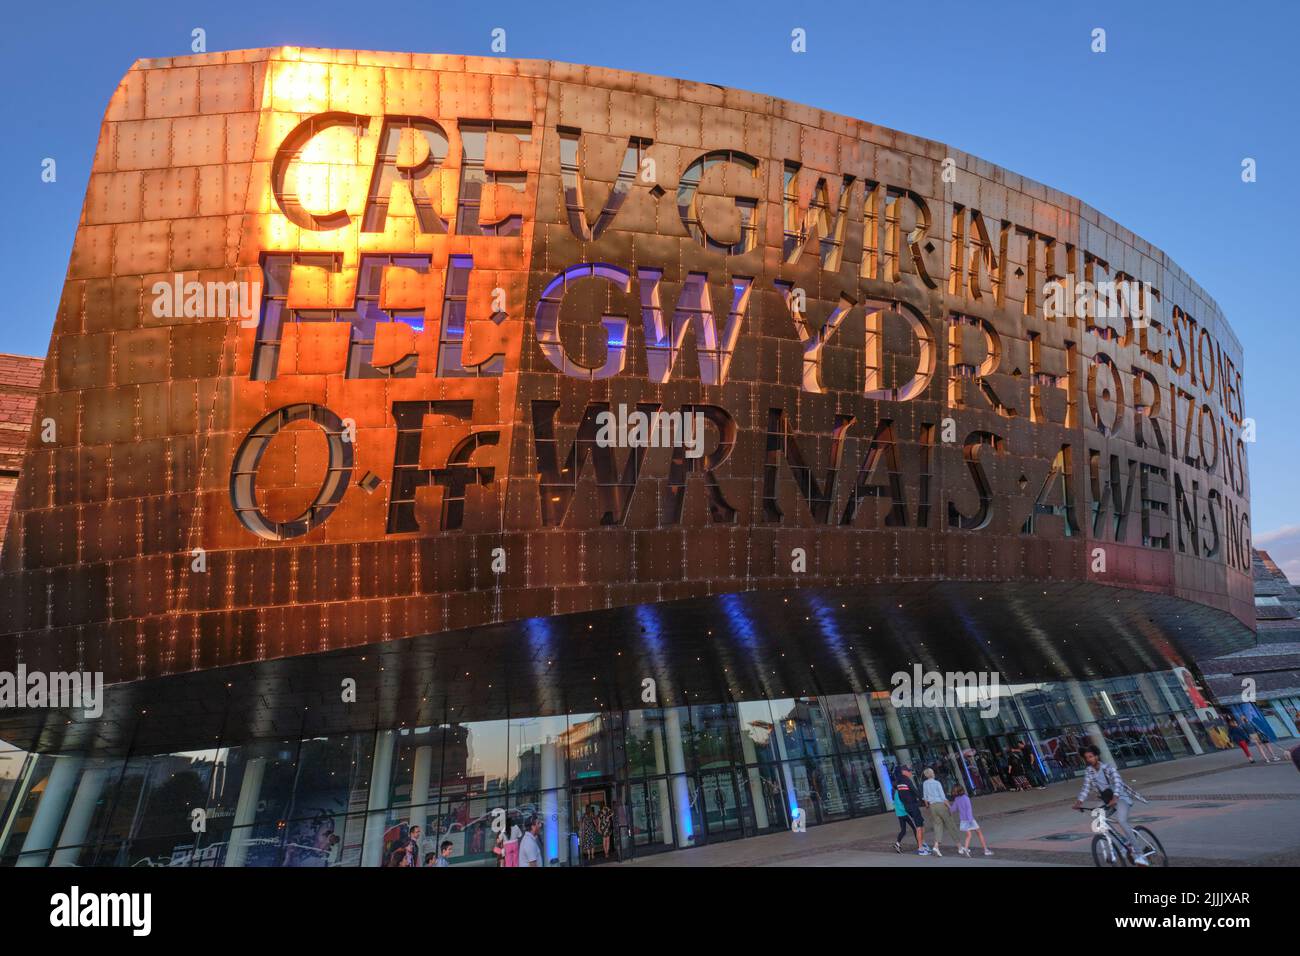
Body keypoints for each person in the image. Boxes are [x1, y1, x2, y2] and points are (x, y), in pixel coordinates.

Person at [1070, 744, 1146, 866]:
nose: (1088, 759)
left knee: (1121, 821)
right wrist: (1079, 802)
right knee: (1099, 819)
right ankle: (1125, 842)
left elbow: (1118, 782)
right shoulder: (1089, 771)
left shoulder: (1108, 768)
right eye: (1086, 757)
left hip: (1120, 797)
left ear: (1096, 756)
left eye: (1091, 756)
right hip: (1107, 800)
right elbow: (1086, 787)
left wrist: (1115, 797)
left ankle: (1140, 855)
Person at [921, 767, 958, 857]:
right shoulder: (937, 783)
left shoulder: (925, 783)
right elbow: (943, 797)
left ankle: (936, 846)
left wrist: (927, 806)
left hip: (932, 806)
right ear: (932, 773)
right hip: (941, 805)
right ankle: (960, 846)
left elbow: (925, 797)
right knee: (950, 824)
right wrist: (950, 807)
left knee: (937, 826)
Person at [892, 767, 928, 855]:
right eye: (908, 771)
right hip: (910, 808)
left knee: (917, 825)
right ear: (903, 772)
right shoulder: (906, 780)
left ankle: (922, 844)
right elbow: (914, 790)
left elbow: (900, 799)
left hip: (905, 810)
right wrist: (922, 799)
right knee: (918, 827)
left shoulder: (899, 785)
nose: (910, 772)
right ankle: (921, 847)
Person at [949, 784, 992, 857]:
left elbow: (953, 809)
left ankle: (966, 848)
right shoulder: (966, 798)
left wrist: (948, 806)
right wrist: (970, 820)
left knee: (968, 835)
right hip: (970, 819)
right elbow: (969, 809)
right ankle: (986, 850)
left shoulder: (957, 799)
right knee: (979, 833)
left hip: (963, 820)